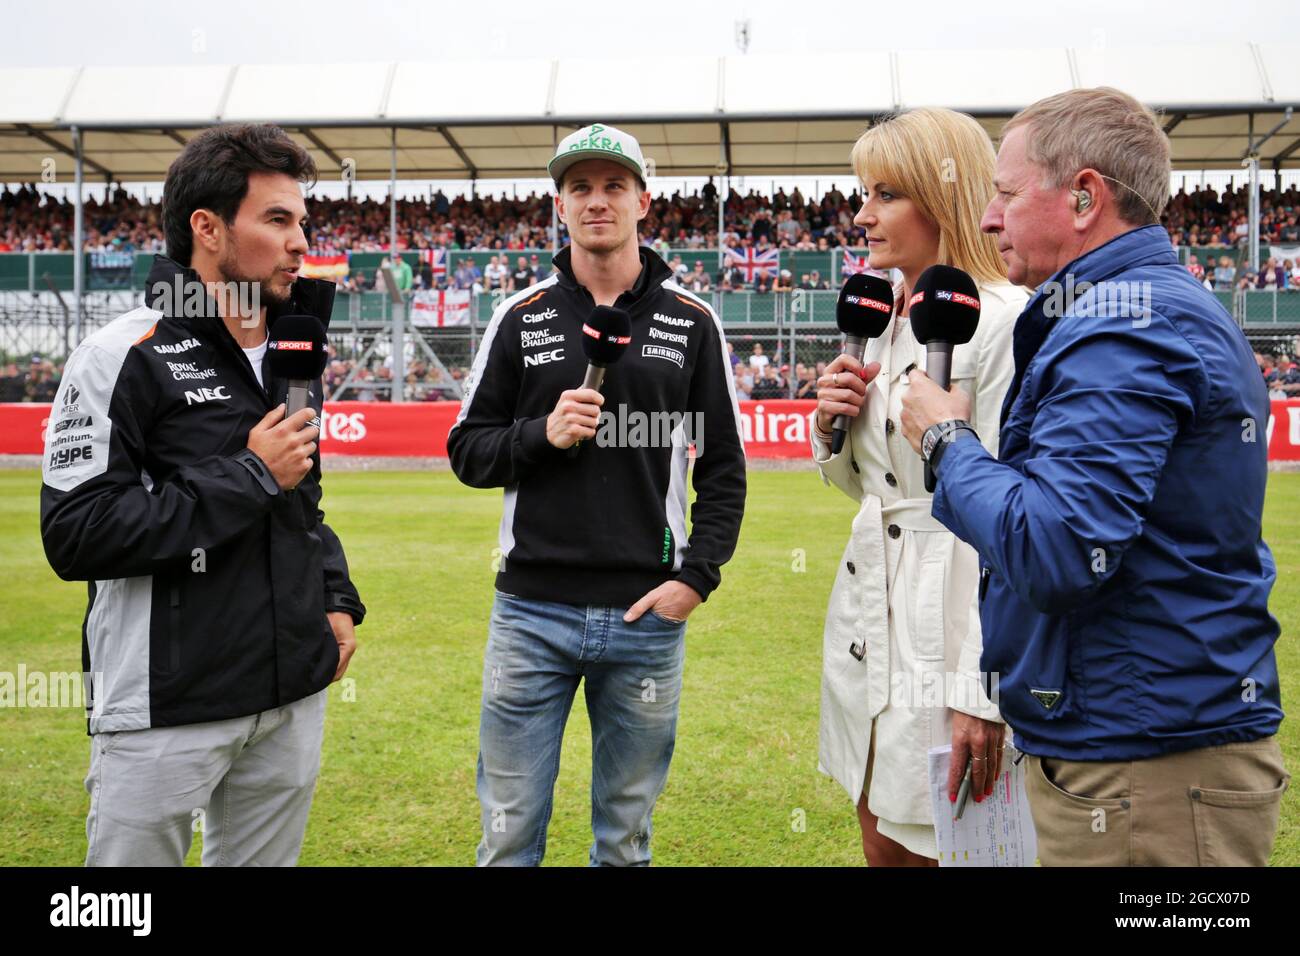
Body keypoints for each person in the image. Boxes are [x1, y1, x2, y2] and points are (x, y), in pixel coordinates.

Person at [900, 87, 1288, 866]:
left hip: (1146, 771)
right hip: (1133, 748)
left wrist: (946, 440)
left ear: (1085, 196)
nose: (986, 219)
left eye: (1006, 194)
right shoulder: (1127, 311)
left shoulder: (1126, 323)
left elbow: (1060, 546)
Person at [39, 124, 365, 867]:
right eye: (277, 220)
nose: (299, 243)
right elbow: (77, 534)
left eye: (302, 223)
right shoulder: (119, 354)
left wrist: (335, 594)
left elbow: (300, 502)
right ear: (208, 228)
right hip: (165, 706)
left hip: (289, 693)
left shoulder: (293, 354)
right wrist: (248, 475)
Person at [447, 122, 746, 866]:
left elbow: (724, 470)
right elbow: (467, 451)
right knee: (510, 834)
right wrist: (539, 434)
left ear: (644, 202)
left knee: (626, 838)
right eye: (580, 187)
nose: (597, 201)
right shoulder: (520, 317)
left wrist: (695, 578)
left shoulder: (693, 321)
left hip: (647, 617)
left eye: (614, 186)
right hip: (530, 614)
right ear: (559, 205)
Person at [811, 107, 1027, 866]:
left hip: (954, 616)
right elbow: (871, 487)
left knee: (955, 842)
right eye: (862, 192)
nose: (862, 215)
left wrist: (981, 690)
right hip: (873, 611)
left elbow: (1015, 520)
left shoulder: (1003, 319)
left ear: (946, 197)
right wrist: (832, 425)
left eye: (885, 194)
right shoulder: (879, 319)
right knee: (879, 827)